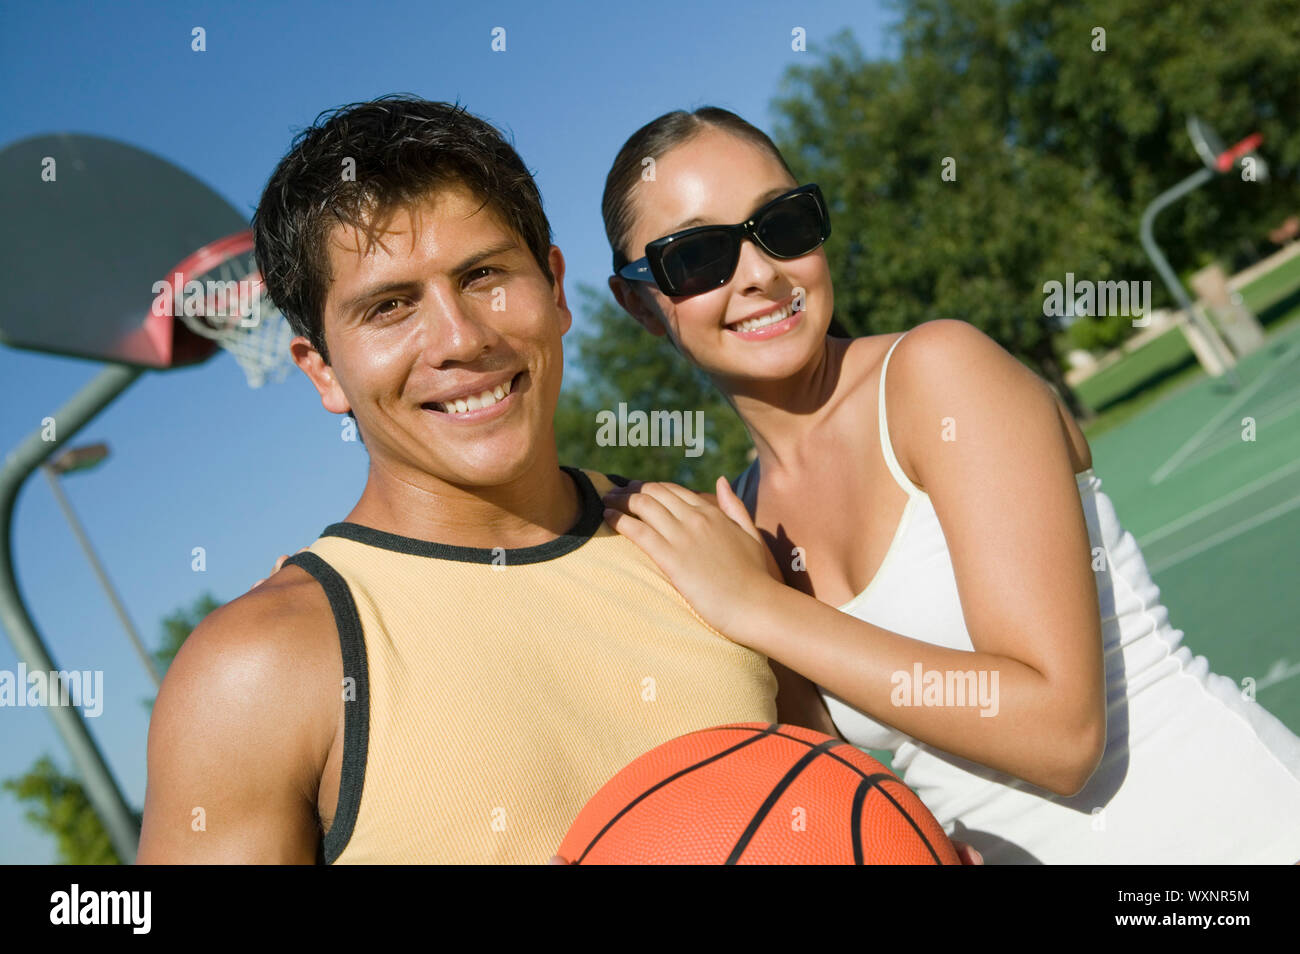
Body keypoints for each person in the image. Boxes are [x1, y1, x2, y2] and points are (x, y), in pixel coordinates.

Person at [135, 96, 851, 865]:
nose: (460, 338)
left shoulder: (701, 547)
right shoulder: (257, 672)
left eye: (484, 276)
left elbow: (841, 812)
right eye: (390, 306)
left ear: (555, 287)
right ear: (321, 371)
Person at [599, 106, 1300, 864]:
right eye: (699, 256)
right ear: (640, 302)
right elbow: (843, 795)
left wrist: (759, 608)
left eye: (783, 223)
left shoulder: (939, 375)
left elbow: (1063, 736)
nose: (761, 272)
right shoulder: (747, 527)